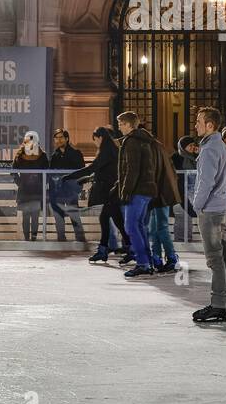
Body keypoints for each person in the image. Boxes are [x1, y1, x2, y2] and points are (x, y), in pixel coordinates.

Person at [191, 106, 226, 323]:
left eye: (199, 121)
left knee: (214, 259)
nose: (196, 125)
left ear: (210, 125)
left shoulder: (209, 149)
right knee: (225, 256)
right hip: (222, 207)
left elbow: (205, 182)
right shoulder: (221, 146)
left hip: (210, 211)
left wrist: (197, 205)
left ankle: (218, 305)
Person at [64, 126, 123, 264]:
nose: (95, 143)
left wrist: (70, 176)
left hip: (111, 190)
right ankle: (130, 247)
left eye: (95, 140)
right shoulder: (111, 150)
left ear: (100, 137)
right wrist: (88, 179)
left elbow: (93, 167)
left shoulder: (106, 151)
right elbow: (101, 170)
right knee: (118, 220)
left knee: (106, 218)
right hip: (111, 189)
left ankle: (104, 250)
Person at [116, 112, 161, 279]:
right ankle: (147, 261)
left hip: (137, 190)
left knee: (131, 227)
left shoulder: (132, 142)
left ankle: (143, 263)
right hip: (145, 189)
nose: (119, 127)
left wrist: (125, 191)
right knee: (139, 226)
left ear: (129, 125)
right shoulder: (144, 140)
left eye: (121, 124)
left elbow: (131, 169)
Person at [148, 131, 183, 273]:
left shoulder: (152, 153)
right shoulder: (162, 152)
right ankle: (157, 256)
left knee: (160, 227)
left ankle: (170, 256)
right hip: (160, 195)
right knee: (155, 227)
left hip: (159, 195)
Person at [47, 130, 86, 244]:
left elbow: (81, 171)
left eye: (61, 137)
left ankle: (80, 240)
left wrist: (77, 188)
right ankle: (61, 240)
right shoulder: (54, 156)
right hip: (57, 191)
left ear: (67, 139)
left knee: (74, 214)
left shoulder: (76, 153)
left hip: (70, 191)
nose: (58, 140)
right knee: (58, 216)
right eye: (56, 138)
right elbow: (51, 173)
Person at [12, 132, 50, 242]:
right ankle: (26, 239)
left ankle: (33, 238)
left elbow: (47, 173)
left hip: (37, 191)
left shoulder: (42, 156)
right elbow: (13, 172)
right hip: (25, 190)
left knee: (35, 216)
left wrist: (42, 183)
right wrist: (20, 183)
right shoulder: (20, 155)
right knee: (25, 216)